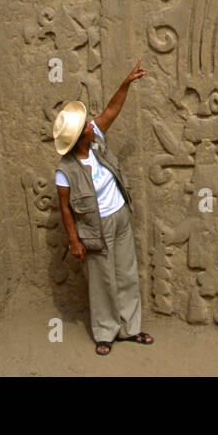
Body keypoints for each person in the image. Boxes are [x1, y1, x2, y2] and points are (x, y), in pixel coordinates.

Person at [53, 59, 155, 355]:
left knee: (125, 273)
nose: (90, 124)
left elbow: (112, 110)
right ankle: (105, 332)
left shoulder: (96, 140)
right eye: (85, 125)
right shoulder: (65, 171)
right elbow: (65, 209)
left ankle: (130, 328)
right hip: (92, 229)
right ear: (77, 137)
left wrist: (127, 82)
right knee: (102, 281)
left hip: (119, 218)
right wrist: (74, 240)